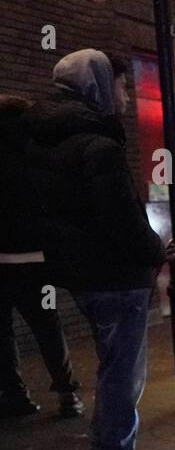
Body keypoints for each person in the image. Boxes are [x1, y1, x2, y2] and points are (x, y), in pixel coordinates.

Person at [23, 49, 175, 450]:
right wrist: (157, 250)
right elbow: (121, 220)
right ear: (97, 86)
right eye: (122, 85)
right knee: (123, 372)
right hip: (117, 277)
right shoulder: (99, 145)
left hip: (81, 275)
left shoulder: (44, 141)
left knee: (113, 367)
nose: (127, 96)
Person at [0, 95, 82, 418]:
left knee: (2, 333)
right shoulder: (39, 152)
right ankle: (67, 394)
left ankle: (16, 396)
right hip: (36, 260)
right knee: (48, 326)